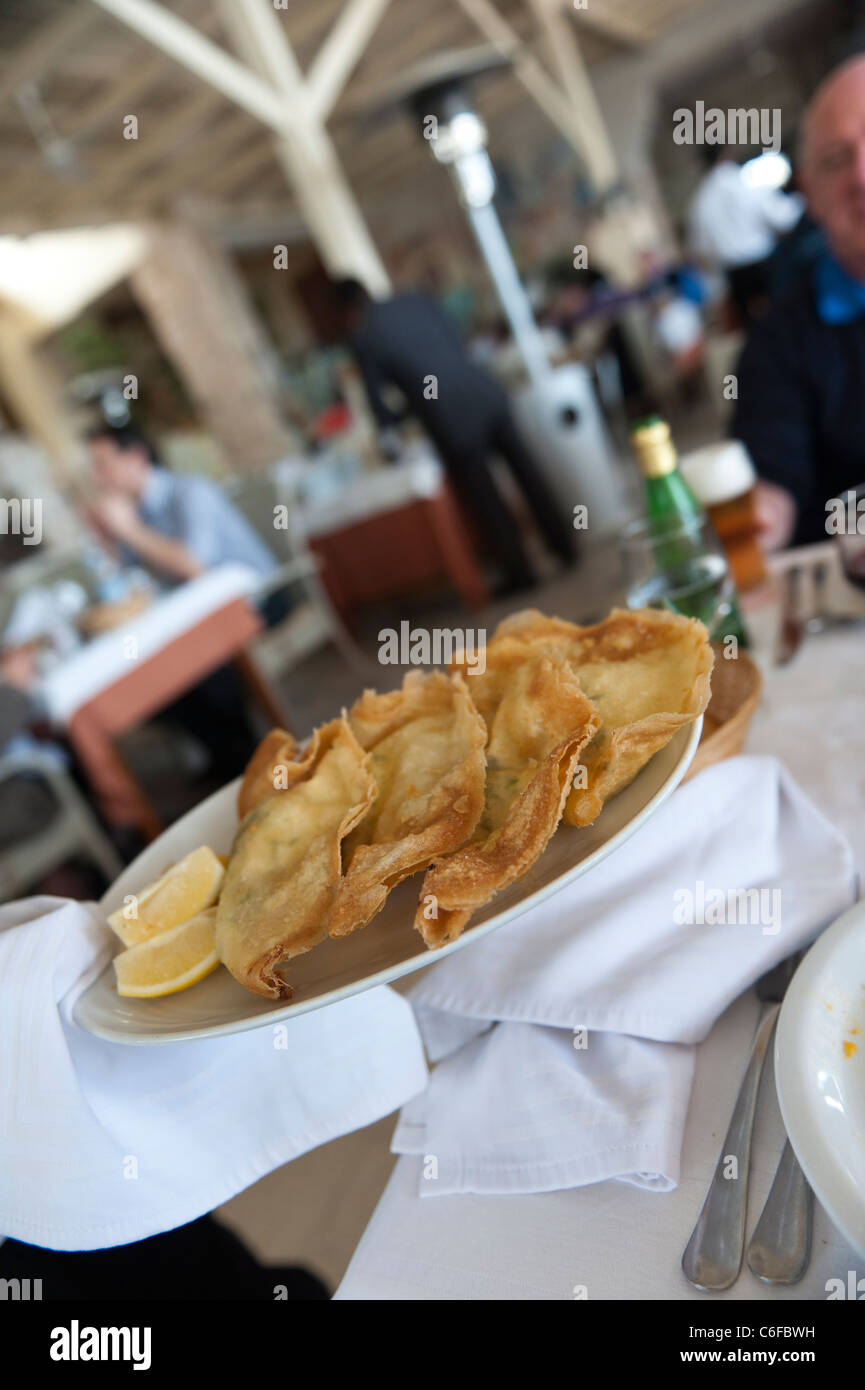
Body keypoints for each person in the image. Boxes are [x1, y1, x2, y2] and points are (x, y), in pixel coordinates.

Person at [334, 279, 574, 593]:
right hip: (484, 390)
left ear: (347, 310)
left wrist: (398, 427)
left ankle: (521, 573)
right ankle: (565, 548)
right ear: (367, 291)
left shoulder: (366, 336)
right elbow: (458, 342)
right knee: (527, 472)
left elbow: (378, 404)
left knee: (486, 498)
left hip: (448, 414)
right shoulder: (418, 300)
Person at [85, 427, 284, 785]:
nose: (98, 478)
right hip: (199, 621)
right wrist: (108, 539)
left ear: (136, 457)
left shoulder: (190, 491)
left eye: (103, 465)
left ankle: (253, 760)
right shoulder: (135, 513)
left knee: (202, 669)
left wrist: (129, 531)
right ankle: (231, 762)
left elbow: (192, 565)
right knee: (150, 680)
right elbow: (134, 586)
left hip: (258, 599)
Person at [733, 56, 865, 548]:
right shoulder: (778, 344)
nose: (861, 176)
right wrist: (744, 531)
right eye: (836, 160)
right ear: (810, 194)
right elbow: (770, 488)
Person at [688, 146, 802, 325]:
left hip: (735, 278)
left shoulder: (700, 202)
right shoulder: (744, 182)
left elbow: (701, 250)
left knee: (759, 329)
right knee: (789, 317)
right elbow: (782, 219)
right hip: (766, 267)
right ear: (726, 154)